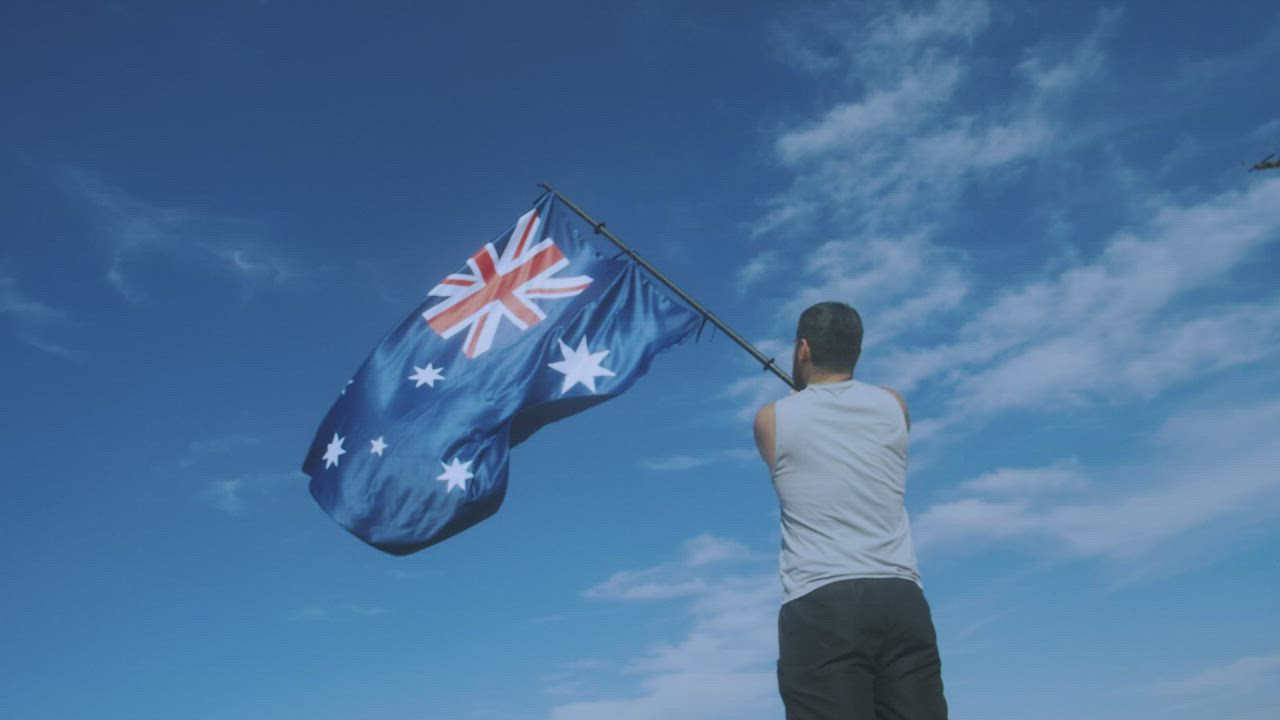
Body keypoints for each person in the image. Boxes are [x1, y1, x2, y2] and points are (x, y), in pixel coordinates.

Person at [753, 301, 947, 719]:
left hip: (823, 601)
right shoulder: (894, 404)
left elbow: (787, 447)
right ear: (856, 350)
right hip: (901, 598)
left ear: (802, 349)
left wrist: (802, 397)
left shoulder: (772, 418)